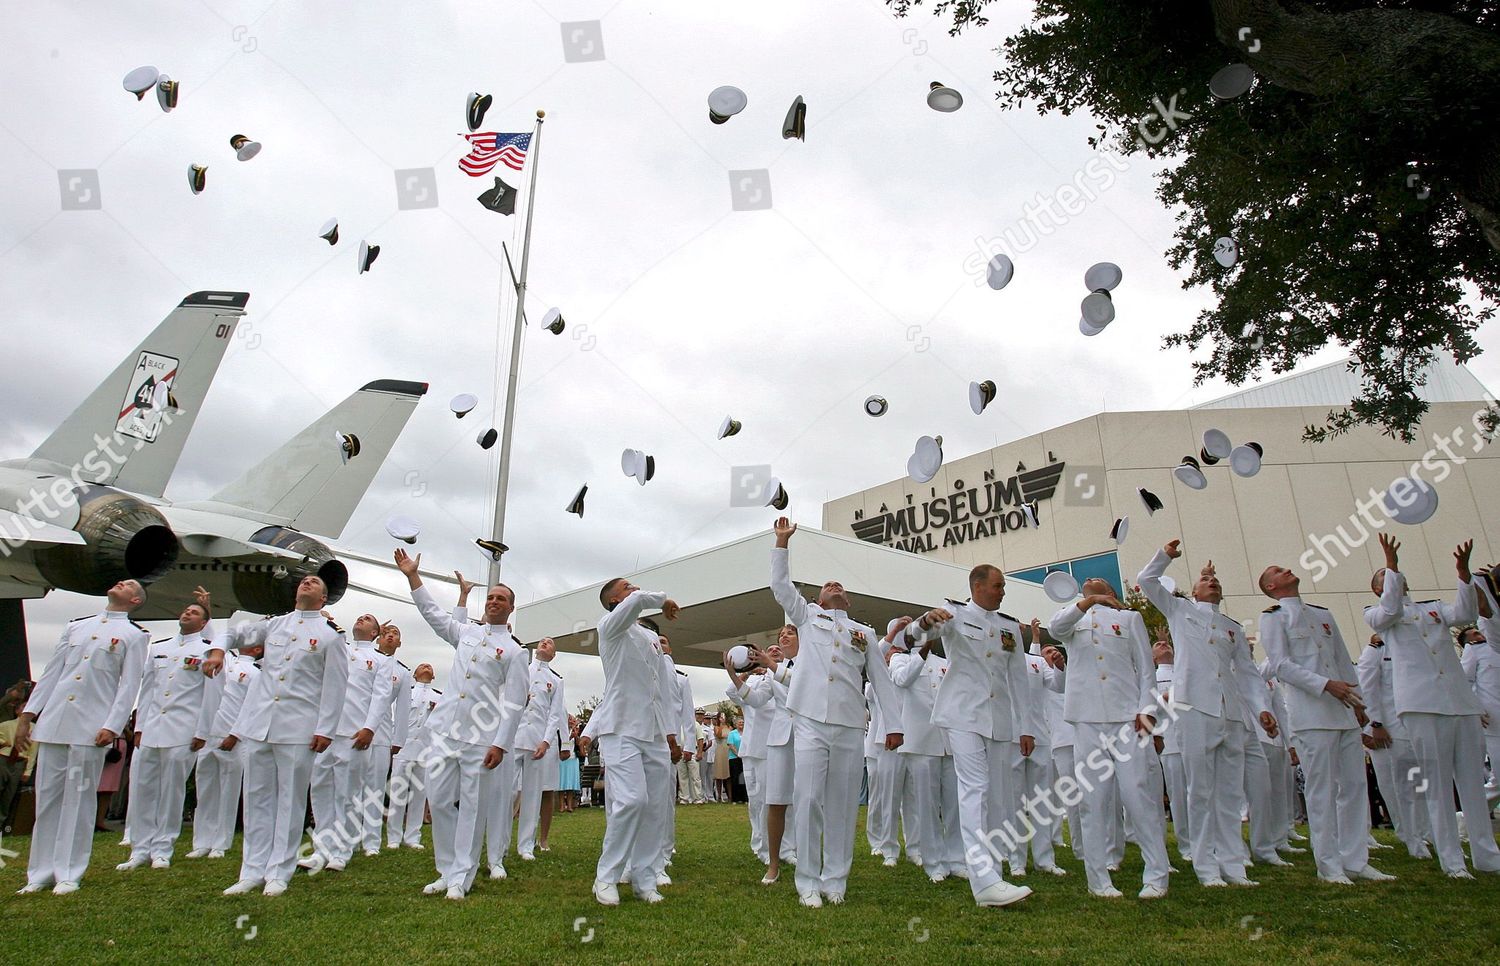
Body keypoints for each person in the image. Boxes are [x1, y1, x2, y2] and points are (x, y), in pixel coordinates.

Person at [769, 517, 902, 908]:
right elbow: (781, 587)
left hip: (848, 724)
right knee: (808, 798)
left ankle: (835, 879)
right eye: (828, 586)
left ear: (847, 601)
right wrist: (781, 543)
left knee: (843, 802)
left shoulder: (864, 632)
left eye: (839, 585)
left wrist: (892, 725)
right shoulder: (807, 617)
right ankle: (807, 881)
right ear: (820, 599)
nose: (834, 587)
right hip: (809, 719)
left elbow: (881, 680)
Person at [1141, 540, 1275, 888]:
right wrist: (1165, 557)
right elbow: (1147, 581)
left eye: (1215, 582)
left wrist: (1261, 709)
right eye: (1205, 582)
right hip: (1194, 708)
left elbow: (1247, 673)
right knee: (1199, 790)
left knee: (1230, 793)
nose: (1211, 584)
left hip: (1230, 712)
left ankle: (1233, 864)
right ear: (1194, 591)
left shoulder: (1231, 626)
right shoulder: (1180, 610)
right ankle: (1206, 866)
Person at [1363, 535, 1498, 877]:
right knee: (1436, 785)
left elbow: (1465, 612)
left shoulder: (1431, 607)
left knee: (1469, 782)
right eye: (1386, 579)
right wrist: (1391, 565)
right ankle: (1452, 861)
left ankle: (1486, 854)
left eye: (1395, 576)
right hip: (1422, 704)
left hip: (1458, 702)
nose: (1396, 580)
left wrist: (1463, 574)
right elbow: (1390, 610)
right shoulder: (1378, 614)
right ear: (1379, 589)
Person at [397, 552, 526, 900]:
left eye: (502, 599)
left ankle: (461, 877)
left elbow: (514, 701)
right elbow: (433, 614)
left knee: (471, 805)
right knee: (438, 800)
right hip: (445, 732)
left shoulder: (514, 652)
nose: (495, 602)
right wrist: (413, 577)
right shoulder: (466, 633)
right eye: (492, 597)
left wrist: (500, 743)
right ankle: (446, 869)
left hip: (480, 739)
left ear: (510, 608)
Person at [907, 563, 1036, 908]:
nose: (1002, 591)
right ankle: (985, 881)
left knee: (996, 798)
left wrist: (1026, 726)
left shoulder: (1010, 627)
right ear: (977, 587)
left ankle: (993, 874)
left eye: (1003, 586)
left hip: (998, 720)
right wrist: (923, 622)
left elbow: (1019, 680)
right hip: (962, 715)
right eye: (998, 585)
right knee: (975, 790)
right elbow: (914, 639)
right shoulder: (954, 613)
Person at [1258, 552, 1390, 885]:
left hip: (1343, 712)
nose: (1287, 567)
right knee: (1321, 790)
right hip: (1312, 713)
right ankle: (1329, 864)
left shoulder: (1323, 614)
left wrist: (1359, 703)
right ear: (1271, 586)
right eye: (1278, 569)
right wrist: (1325, 685)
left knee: (1355, 787)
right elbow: (1282, 664)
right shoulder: (1273, 617)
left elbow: (1344, 662)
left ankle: (1356, 859)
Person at [15, 580, 150, 895]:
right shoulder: (77, 627)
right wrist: (29, 715)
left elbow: (128, 685)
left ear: (134, 600)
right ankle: (39, 872)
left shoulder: (134, 635)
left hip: (91, 726)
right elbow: (53, 673)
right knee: (47, 798)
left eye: (129, 584)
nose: (121, 583)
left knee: (78, 798)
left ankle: (68, 872)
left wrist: (113, 724)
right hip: (56, 722)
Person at [218, 576, 349, 897]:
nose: (307, 583)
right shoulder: (275, 625)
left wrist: (325, 729)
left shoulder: (330, 638)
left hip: (299, 729)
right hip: (262, 724)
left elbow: (335, 687)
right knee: (257, 799)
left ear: (324, 598)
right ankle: (252, 870)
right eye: (304, 580)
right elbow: (233, 634)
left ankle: (279, 871)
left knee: (289, 802)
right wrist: (218, 652)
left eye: (315, 582)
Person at [1048, 579, 1168, 899]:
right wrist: (1088, 602)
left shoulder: (1130, 619)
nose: (1088, 582)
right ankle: (1098, 880)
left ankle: (1156, 875)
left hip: (1127, 717)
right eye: (1086, 584)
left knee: (1138, 795)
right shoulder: (1073, 616)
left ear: (1112, 593)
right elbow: (1056, 627)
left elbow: (1145, 668)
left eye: (1096, 583)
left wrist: (1147, 709)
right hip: (1087, 720)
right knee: (1093, 802)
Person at [118, 587, 225, 871]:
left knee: (172, 791)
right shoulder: (159, 647)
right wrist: (139, 726)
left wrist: (202, 732)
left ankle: (163, 848)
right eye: (186, 610)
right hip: (152, 727)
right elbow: (148, 690)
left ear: (204, 623)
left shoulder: (206, 650)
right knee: (142, 789)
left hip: (183, 730)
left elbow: (211, 695)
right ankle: (139, 849)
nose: (188, 613)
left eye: (195, 612)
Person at [589, 576, 681, 906]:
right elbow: (638, 602)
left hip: (653, 731)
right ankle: (607, 876)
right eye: (626, 588)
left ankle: (645, 877)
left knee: (655, 807)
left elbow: (662, 692)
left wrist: (670, 734)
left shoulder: (651, 638)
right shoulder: (609, 628)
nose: (634, 589)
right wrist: (662, 598)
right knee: (631, 800)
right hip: (622, 728)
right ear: (614, 601)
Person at [302, 612, 398, 873]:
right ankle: (321, 849)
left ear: (374, 633)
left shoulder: (379, 660)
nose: (361, 620)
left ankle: (342, 851)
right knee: (321, 791)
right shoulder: (338, 648)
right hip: (326, 731)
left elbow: (380, 697)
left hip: (355, 734)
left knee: (348, 795)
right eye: (359, 617)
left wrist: (369, 728)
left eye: (368, 619)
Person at [888, 620, 961, 883]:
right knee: (926, 806)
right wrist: (922, 651)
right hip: (920, 742)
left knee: (954, 805)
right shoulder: (900, 661)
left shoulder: (943, 663)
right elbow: (903, 681)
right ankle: (934, 862)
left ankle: (957, 858)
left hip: (948, 741)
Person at [1356, 633, 1431, 858]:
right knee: (1399, 788)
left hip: (1415, 727)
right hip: (1389, 730)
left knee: (1421, 786)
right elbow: (1367, 691)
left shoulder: (1411, 651)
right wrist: (1373, 726)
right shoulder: (1375, 652)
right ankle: (1411, 836)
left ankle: (1427, 832)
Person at [191, 629, 262, 859]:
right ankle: (202, 840)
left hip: (233, 737)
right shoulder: (227, 660)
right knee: (205, 790)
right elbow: (214, 640)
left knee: (228, 791)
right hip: (210, 733)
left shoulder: (256, 672)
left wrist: (236, 734)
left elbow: (251, 708)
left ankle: (220, 843)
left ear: (257, 648)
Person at [515, 637, 567, 860]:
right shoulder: (521, 669)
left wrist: (546, 742)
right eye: (543, 641)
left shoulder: (555, 680)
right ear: (535, 649)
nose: (546, 643)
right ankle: (499, 843)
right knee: (507, 792)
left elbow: (555, 715)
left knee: (533, 795)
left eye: (551, 643)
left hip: (537, 741)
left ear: (553, 654)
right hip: (514, 737)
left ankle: (526, 845)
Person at [363, 623, 411, 856]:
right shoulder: (361, 658)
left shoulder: (402, 672)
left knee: (374, 789)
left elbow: (402, 710)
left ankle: (371, 842)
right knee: (348, 788)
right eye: (385, 634)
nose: (390, 637)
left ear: (399, 643)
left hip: (381, 734)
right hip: (353, 728)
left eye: (395, 634)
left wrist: (398, 740)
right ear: (377, 638)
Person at [387, 663, 437, 849]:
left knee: (419, 794)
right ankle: (393, 837)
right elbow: (396, 719)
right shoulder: (406, 694)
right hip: (404, 748)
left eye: (429, 667)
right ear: (414, 675)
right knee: (397, 793)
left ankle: (413, 836)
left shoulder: (439, 697)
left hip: (426, 751)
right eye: (422, 666)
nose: (426, 667)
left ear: (434, 676)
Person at [1462, 572, 1500, 804]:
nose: (1477, 634)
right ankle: (1467, 818)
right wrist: (1476, 707)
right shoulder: (1475, 651)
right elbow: (1464, 682)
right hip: (1494, 720)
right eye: (1474, 633)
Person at [559, 716, 582, 813]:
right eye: (570, 720)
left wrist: (576, 735)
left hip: (573, 758)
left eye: (573, 720)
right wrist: (569, 736)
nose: (572, 722)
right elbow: (560, 743)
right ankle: (561, 806)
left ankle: (569, 805)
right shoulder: (561, 730)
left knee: (571, 784)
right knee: (561, 783)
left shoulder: (575, 730)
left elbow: (578, 744)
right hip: (563, 759)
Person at [712, 712, 732, 802]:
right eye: (721, 716)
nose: (723, 718)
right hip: (720, 750)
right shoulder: (716, 727)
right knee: (719, 774)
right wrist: (721, 725)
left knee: (728, 774)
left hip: (728, 750)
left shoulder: (729, 727)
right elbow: (719, 736)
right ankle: (719, 796)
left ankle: (730, 796)